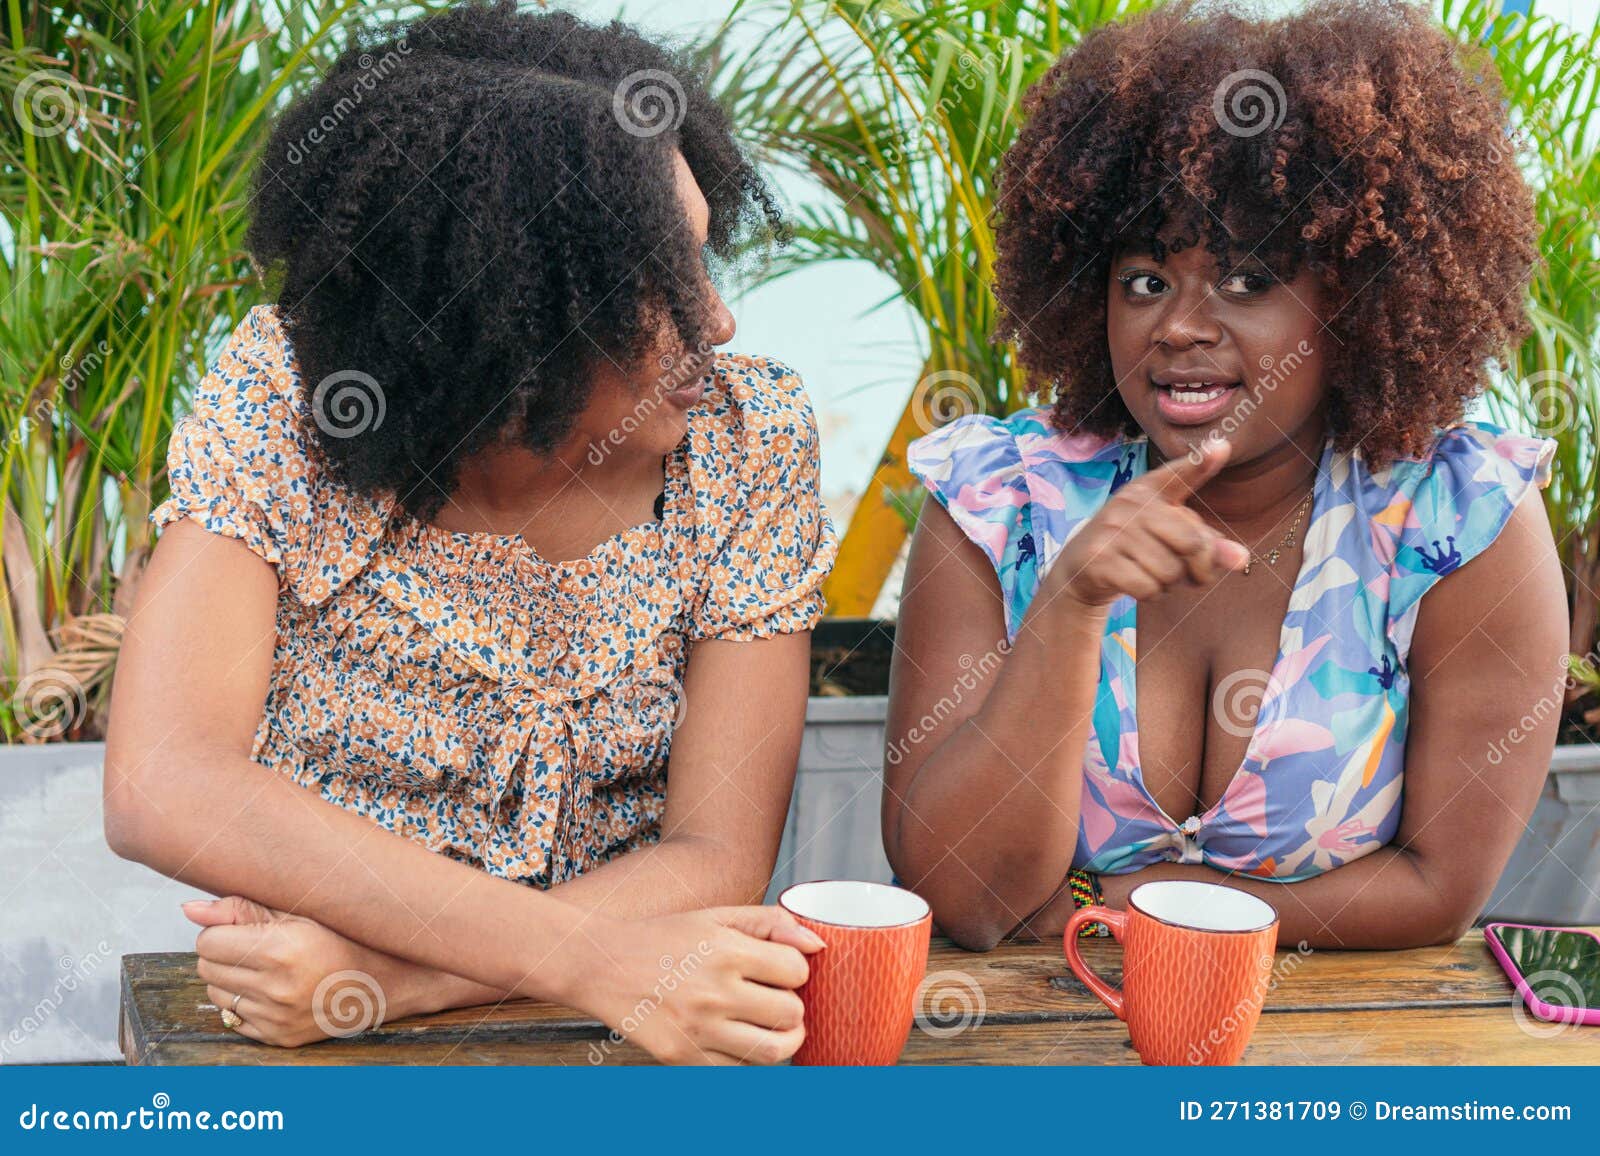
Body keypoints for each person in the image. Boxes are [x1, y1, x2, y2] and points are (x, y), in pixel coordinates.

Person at [104, 2, 836, 1063]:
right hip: (312, 1049)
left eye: (707, 263)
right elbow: (164, 781)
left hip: (593, 1033)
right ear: (504, 305)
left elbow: (716, 851)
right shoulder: (292, 398)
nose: (716, 319)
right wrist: (591, 960)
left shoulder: (746, 437)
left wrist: (397, 982)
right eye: (661, 283)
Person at [884, 0, 1565, 951]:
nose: (1179, 327)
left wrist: (1145, 907)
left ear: (1357, 297)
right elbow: (965, 898)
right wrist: (1071, 602)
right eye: (1145, 281)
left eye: (1247, 279)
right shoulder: (1000, 500)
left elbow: (1438, 885)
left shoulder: (1458, 518)